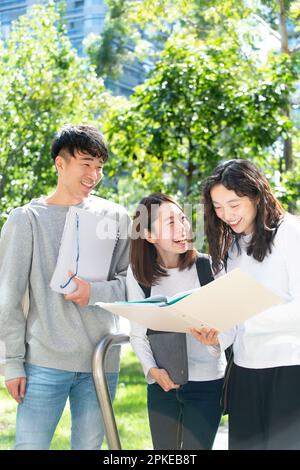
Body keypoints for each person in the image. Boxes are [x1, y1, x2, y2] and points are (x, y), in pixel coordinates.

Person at [0, 124, 130, 450]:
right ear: (60, 163)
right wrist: (12, 363)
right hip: (44, 363)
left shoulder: (115, 216)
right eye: (86, 164)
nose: (94, 174)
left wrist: (95, 293)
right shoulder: (26, 219)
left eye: (99, 166)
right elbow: (8, 298)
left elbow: (134, 284)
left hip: (101, 361)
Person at [191, 159, 300, 450]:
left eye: (234, 204)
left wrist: (246, 319)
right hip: (243, 371)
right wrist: (214, 336)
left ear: (255, 195)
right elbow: (231, 324)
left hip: (289, 369)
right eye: (217, 207)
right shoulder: (232, 248)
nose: (226, 214)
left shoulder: (291, 232)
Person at [127, 193, 225, 450]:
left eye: (183, 218)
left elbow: (229, 328)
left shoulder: (208, 267)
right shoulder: (138, 273)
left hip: (207, 383)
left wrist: (215, 342)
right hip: (162, 382)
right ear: (149, 235)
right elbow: (138, 332)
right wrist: (151, 371)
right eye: (171, 222)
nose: (183, 227)